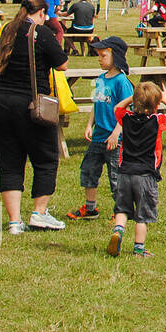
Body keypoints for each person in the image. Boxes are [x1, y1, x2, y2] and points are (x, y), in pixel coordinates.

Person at [0, 0, 70, 235]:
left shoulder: (7, 30)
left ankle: (14, 221)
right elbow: (62, 64)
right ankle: (39, 213)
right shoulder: (40, 33)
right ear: (42, 13)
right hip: (31, 103)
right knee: (45, 157)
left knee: (10, 161)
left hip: (0, 101)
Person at [107, 83, 166, 258]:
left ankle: (118, 231)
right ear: (156, 105)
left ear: (135, 102)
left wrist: (132, 98)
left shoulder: (125, 118)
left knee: (122, 209)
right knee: (142, 215)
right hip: (145, 175)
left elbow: (118, 107)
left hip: (124, 172)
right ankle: (139, 249)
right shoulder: (157, 121)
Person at [65, 37, 134, 221]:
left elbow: (126, 111)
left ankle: (121, 210)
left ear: (116, 57)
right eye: (98, 55)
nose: (99, 59)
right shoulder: (101, 79)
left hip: (114, 139)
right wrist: (89, 124)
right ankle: (90, 208)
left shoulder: (121, 82)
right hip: (98, 137)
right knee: (89, 170)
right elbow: (97, 103)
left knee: (115, 177)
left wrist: (116, 134)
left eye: (103, 55)